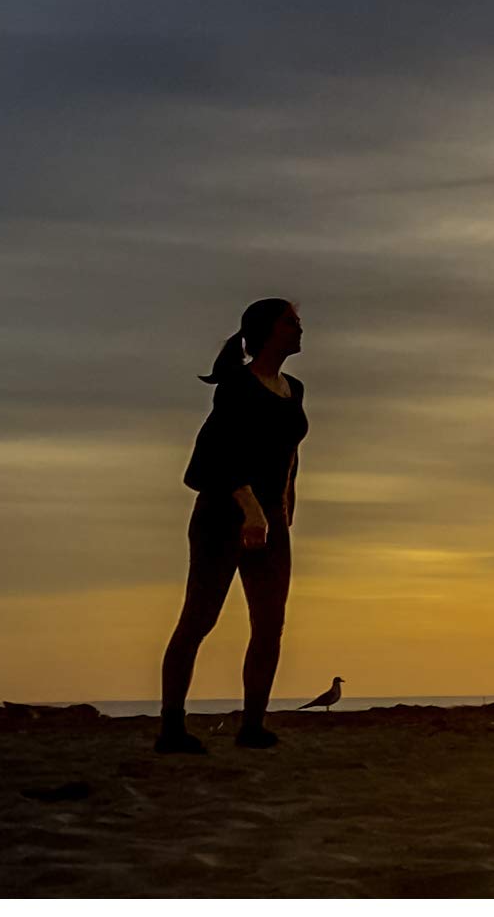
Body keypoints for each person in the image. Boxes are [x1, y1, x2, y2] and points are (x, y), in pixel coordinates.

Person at [155, 298, 309, 754]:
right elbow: (215, 455)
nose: (299, 328)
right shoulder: (236, 386)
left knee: (269, 624)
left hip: (273, 521)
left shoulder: (293, 388)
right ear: (265, 331)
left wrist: (284, 511)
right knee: (199, 619)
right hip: (223, 516)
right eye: (290, 321)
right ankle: (171, 728)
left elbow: (289, 458)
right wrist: (251, 508)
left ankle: (253, 725)